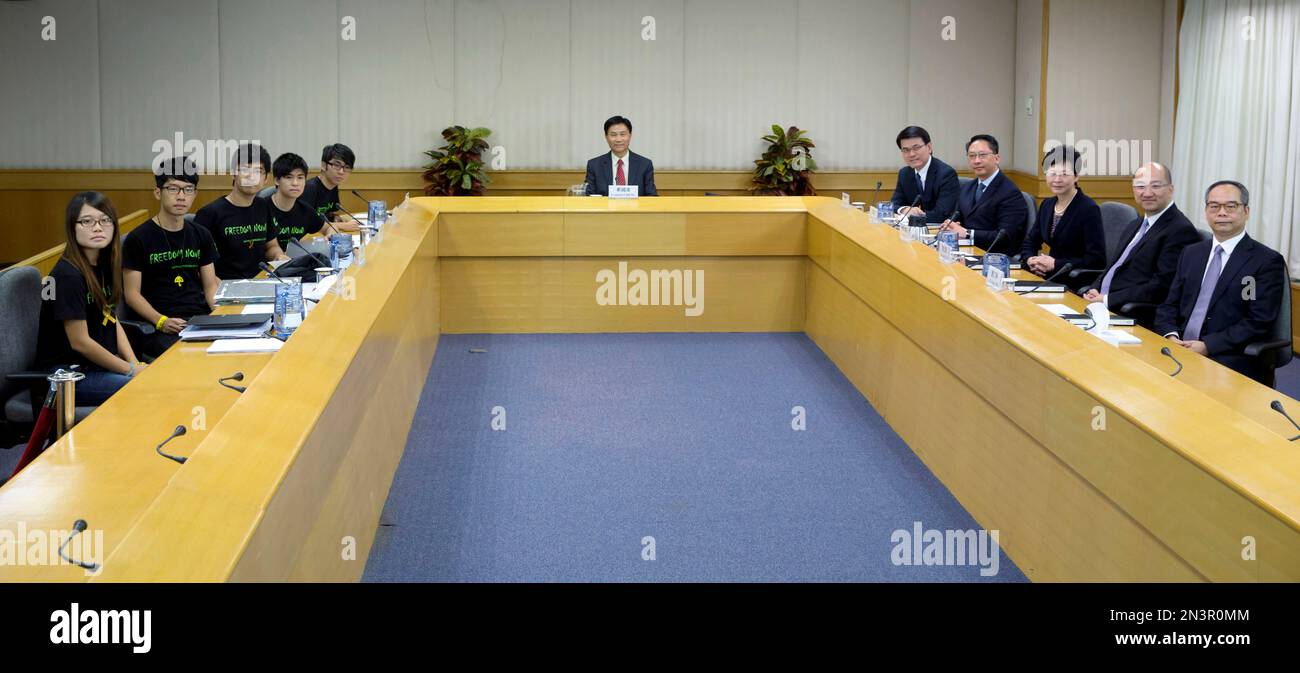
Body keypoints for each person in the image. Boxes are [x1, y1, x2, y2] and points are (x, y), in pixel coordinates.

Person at [1154, 180, 1287, 386]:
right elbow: (1170, 303)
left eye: (1231, 206)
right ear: (1206, 211)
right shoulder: (1191, 253)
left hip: (1228, 355)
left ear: (1246, 211)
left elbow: (1257, 321)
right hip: (1177, 346)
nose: (1221, 212)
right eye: (1214, 206)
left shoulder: (1264, 261)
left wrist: (1207, 345)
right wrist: (1170, 335)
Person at [35, 192, 145, 403]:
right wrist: (130, 370)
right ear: (72, 227)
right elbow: (80, 343)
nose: (97, 227)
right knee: (142, 390)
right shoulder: (67, 274)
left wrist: (135, 363)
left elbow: (111, 319)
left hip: (94, 368)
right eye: (87, 221)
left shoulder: (102, 265)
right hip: (66, 376)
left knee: (150, 379)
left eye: (105, 220)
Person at [1081, 162, 1200, 328]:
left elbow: (1161, 287)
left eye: (1156, 186)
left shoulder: (1180, 230)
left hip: (1131, 315)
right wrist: (1095, 288)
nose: (1147, 193)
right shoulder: (1136, 223)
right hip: (1102, 307)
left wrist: (1107, 299)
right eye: (1140, 186)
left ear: (1170, 189)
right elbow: (1114, 267)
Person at [122, 156, 220, 358]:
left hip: (198, 319)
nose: (181, 196)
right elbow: (132, 294)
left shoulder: (201, 234)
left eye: (188, 189)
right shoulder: (138, 238)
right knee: (192, 358)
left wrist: (220, 316)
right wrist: (161, 320)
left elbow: (210, 285)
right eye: (173, 188)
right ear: (158, 192)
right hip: (160, 326)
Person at [194, 143, 288, 279]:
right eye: (245, 169)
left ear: (266, 178)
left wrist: (278, 256)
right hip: (226, 288)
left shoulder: (263, 206)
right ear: (233, 173)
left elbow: (271, 246)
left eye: (258, 171)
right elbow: (197, 265)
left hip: (261, 281)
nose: (251, 176)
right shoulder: (210, 214)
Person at [1020, 145, 1105, 290]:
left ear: (1076, 176)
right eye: (1052, 173)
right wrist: (1031, 260)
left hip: (1073, 281)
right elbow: (1030, 241)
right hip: (1046, 276)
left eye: (1064, 174)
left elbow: (1096, 260)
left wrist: (1055, 264)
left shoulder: (1088, 209)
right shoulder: (1048, 204)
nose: (1057, 179)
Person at [938, 134, 1026, 255]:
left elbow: (1004, 237)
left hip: (993, 256)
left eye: (982, 155)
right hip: (965, 250)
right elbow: (957, 215)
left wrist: (968, 233)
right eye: (972, 156)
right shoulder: (967, 187)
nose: (977, 161)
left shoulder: (1010, 193)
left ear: (997, 158)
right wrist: (950, 224)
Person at [263, 152, 336, 250]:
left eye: (300, 177)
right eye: (289, 177)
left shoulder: (305, 210)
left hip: (294, 261)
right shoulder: (261, 208)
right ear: (276, 180)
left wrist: (330, 234)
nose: (295, 183)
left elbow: (328, 227)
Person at [889, 125, 960, 223]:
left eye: (916, 148)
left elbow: (942, 214)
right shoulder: (904, 173)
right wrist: (905, 210)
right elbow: (894, 204)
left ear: (929, 147)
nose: (911, 154)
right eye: (906, 150)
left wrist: (909, 217)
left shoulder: (946, 174)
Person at [583, 116, 657, 196]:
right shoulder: (594, 165)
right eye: (613, 135)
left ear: (630, 135)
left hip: (635, 208)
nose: (618, 139)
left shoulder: (645, 164)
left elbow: (651, 197)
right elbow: (589, 197)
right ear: (606, 137)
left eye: (623, 134)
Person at [301, 143, 359, 232]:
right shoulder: (309, 188)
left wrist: (335, 218)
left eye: (346, 167)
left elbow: (328, 213)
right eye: (336, 165)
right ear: (324, 166)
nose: (341, 172)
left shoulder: (333, 186)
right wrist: (341, 226)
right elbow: (307, 223)